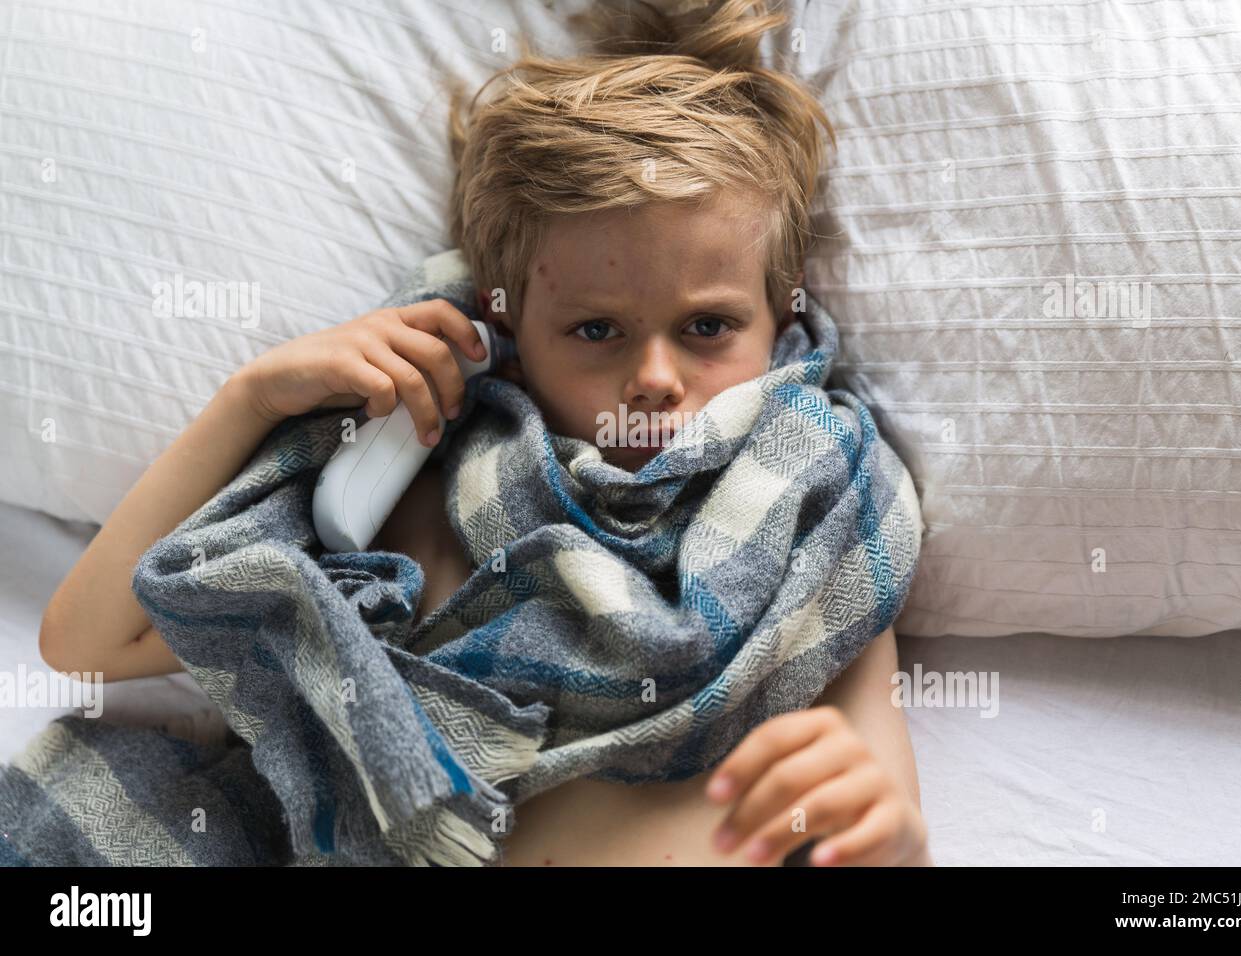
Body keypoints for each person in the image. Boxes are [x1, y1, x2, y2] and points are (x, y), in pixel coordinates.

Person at [39, 0, 931, 867]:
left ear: (780, 320)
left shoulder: (818, 518)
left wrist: (883, 829)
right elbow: (86, 644)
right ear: (502, 337)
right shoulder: (427, 500)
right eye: (595, 330)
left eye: (706, 328)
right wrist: (252, 399)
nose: (656, 377)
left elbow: (886, 829)